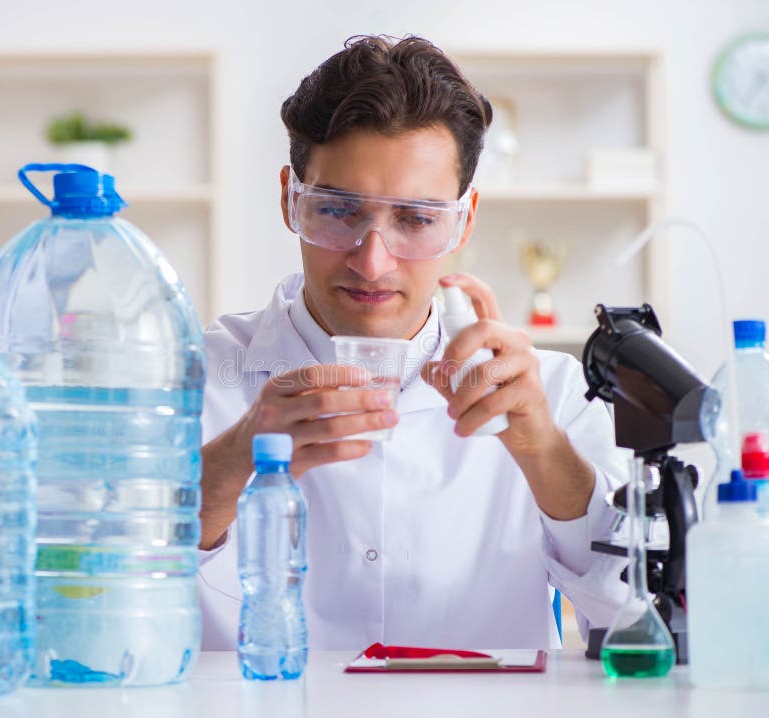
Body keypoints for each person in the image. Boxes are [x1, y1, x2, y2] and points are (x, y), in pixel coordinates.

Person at [198, 34, 630, 651]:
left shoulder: (554, 399)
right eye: (339, 211)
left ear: (465, 218)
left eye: (417, 219)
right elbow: (100, 628)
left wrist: (545, 454)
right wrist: (228, 467)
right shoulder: (197, 384)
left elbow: (638, 635)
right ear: (290, 200)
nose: (372, 263)